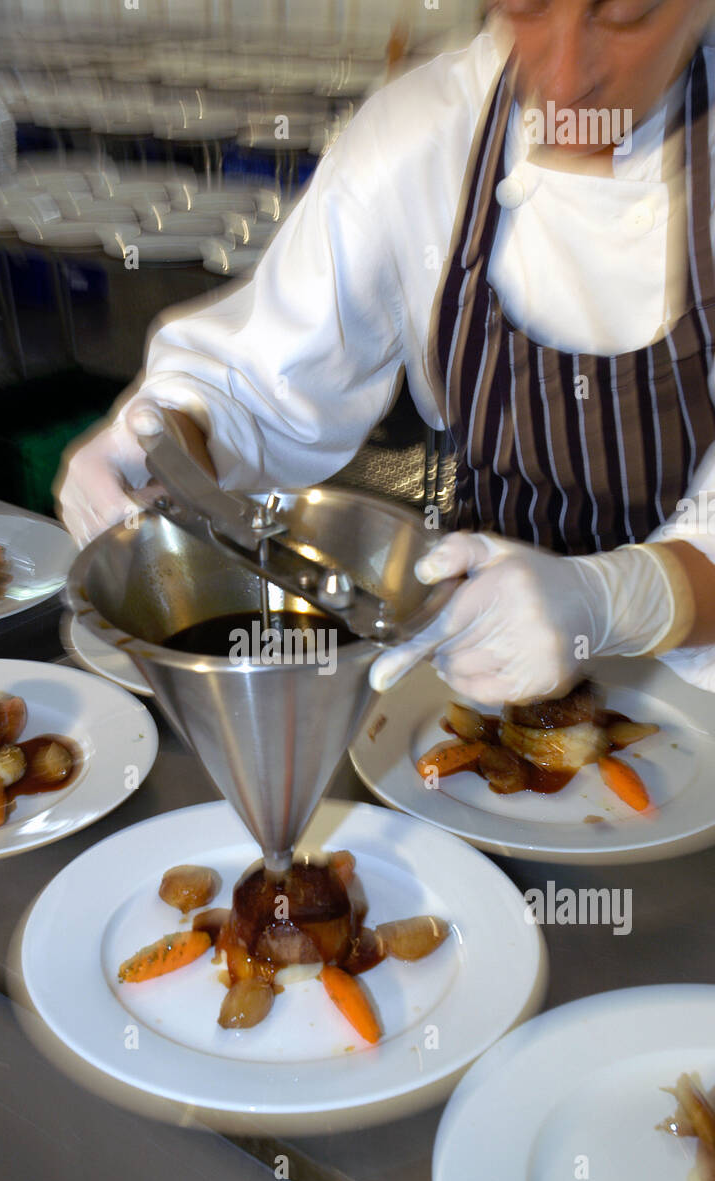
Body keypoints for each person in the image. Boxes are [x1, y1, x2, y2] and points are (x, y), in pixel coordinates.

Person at [56, 0, 715, 703]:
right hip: (474, 665)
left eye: (625, 15)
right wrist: (159, 442)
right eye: (524, 7)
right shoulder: (425, 133)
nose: (563, 76)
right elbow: (262, 382)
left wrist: (619, 601)